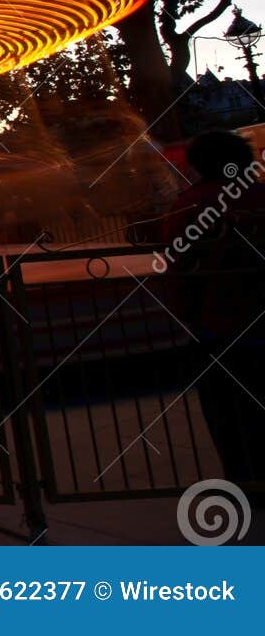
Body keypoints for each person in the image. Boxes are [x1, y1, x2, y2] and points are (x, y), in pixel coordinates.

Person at [162, 129, 265, 498]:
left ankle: (246, 479)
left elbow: (179, 268)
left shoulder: (190, 206)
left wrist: (187, 315)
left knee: (230, 411)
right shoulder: (260, 195)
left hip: (219, 326)